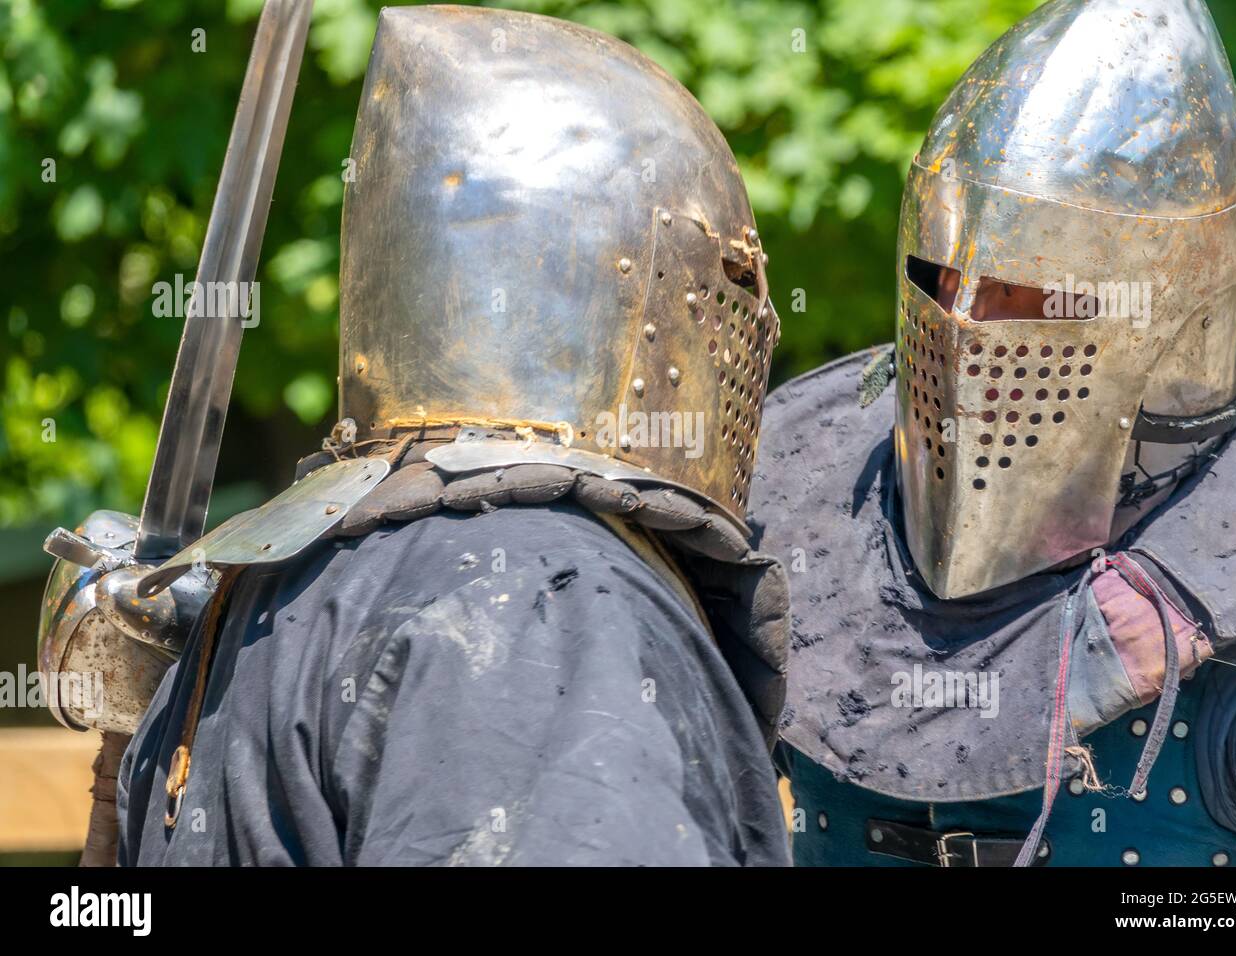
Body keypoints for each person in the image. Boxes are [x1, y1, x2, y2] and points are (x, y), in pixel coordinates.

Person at [114, 6, 791, 867]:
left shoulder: (284, 577)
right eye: (731, 275)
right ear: (634, 274)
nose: (754, 319)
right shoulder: (542, 595)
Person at [750, 0, 1236, 867]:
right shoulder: (803, 518)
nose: (965, 327)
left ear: (1162, 307)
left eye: (1025, 294)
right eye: (944, 280)